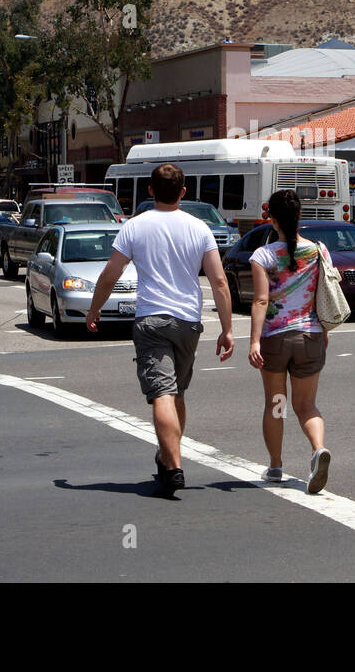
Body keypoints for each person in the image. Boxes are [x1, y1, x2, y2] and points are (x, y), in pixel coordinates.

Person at [86, 164, 234, 498]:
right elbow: (219, 281)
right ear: (183, 192)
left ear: (150, 190)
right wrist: (227, 329)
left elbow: (110, 274)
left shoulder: (134, 227)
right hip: (188, 323)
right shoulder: (200, 229)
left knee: (162, 394)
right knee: (176, 392)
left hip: (151, 321)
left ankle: (173, 465)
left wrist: (94, 309)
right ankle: (168, 460)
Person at [248, 190, 335, 494]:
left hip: (275, 338)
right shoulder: (319, 250)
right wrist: (325, 330)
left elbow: (261, 301)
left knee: (276, 404)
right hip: (311, 335)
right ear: (299, 216)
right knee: (307, 405)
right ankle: (318, 449)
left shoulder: (264, 255)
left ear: (271, 219)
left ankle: (275, 467)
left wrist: (254, 341)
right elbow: (323, 294)